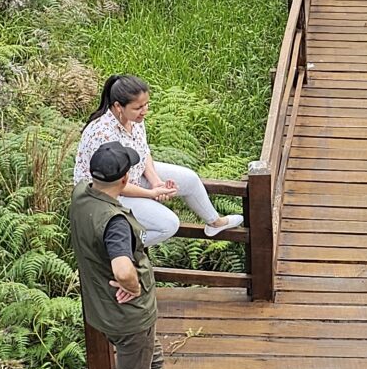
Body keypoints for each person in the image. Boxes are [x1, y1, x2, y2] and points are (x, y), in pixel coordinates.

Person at [68, 139, 174, 369]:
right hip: (128, 315)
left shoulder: (82, 195)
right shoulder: (114, 223)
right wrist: (135, 286)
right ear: (125, 180)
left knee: (151, 360)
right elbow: (123, 268)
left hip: (99, 307)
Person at [73, 74, 243, 249]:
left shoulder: (135, 119)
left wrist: (156, 182)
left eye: (146, 104)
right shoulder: (102, 133)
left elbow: (143, 150)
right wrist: (152, 194)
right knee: (168, 224)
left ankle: (215, 223)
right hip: (107, 195)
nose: (145, 110)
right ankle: (115, 251)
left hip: (132, 176)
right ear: (118, 106)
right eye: (139, 107)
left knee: (190, 179)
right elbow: (114, 184)